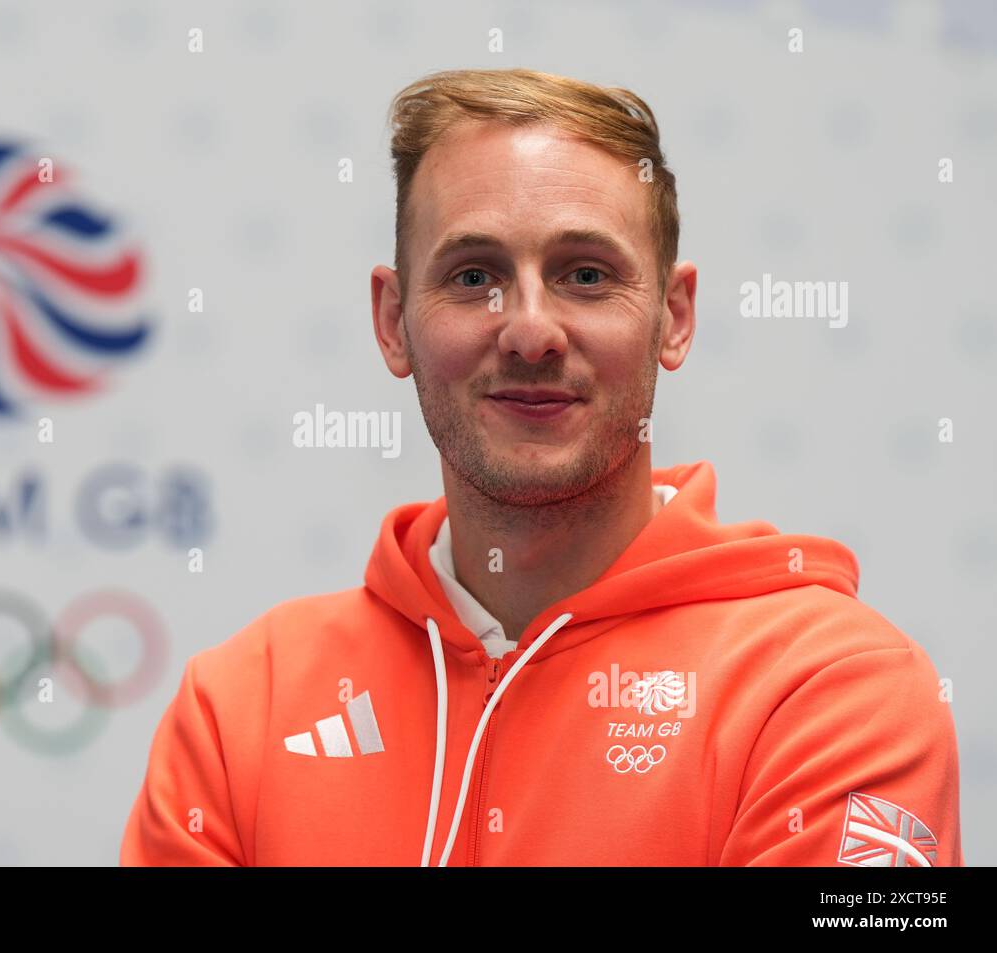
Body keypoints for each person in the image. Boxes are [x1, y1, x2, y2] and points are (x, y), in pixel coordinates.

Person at [119, 68, 963, 866]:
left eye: (585, 276)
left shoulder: (828, 689)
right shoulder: (241, 707)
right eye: (474, 274)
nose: (529, 330)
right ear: (392, 321)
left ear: (673, 317)